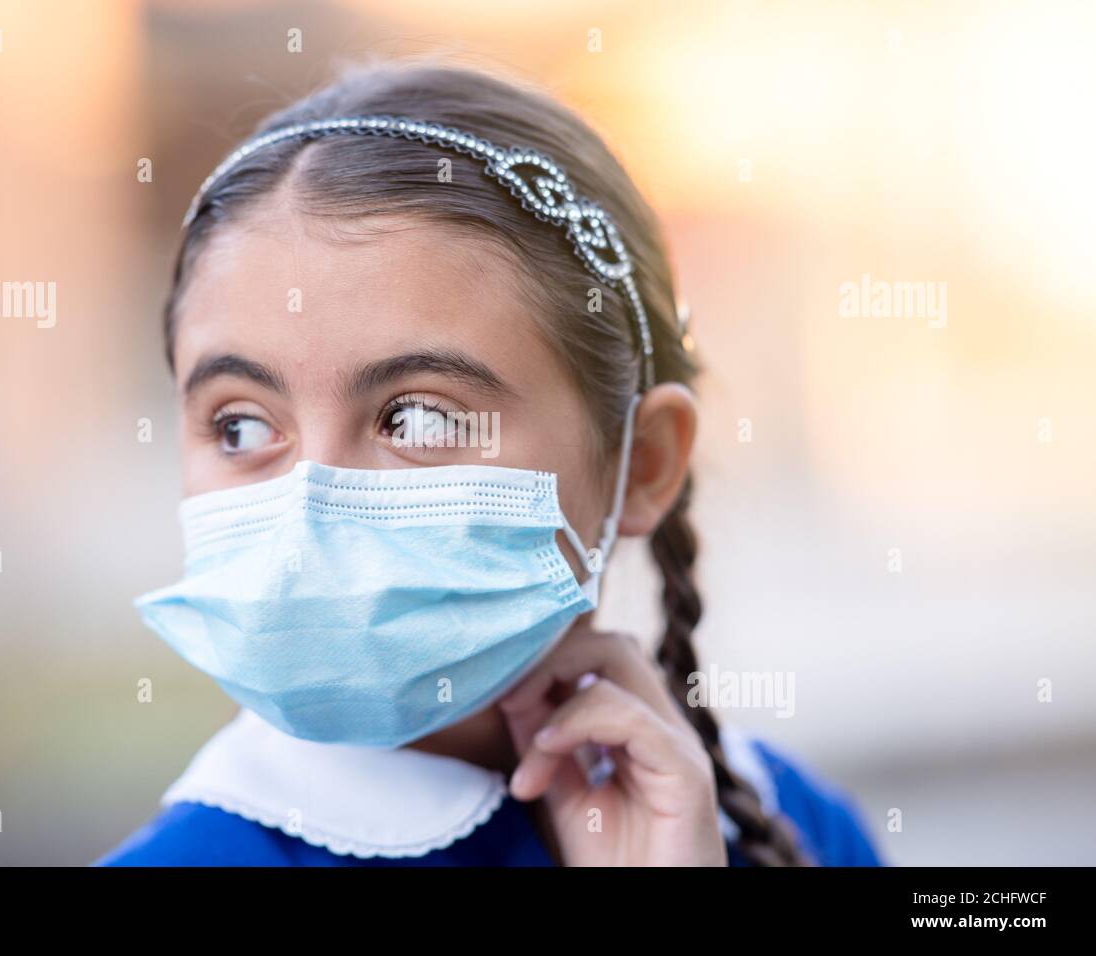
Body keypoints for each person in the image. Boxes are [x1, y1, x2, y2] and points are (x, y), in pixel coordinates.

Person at [96, 59, 883, 867]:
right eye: (240, 427)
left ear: (643, 463)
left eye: (421, 418)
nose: (310, 506)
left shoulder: (794, 829)